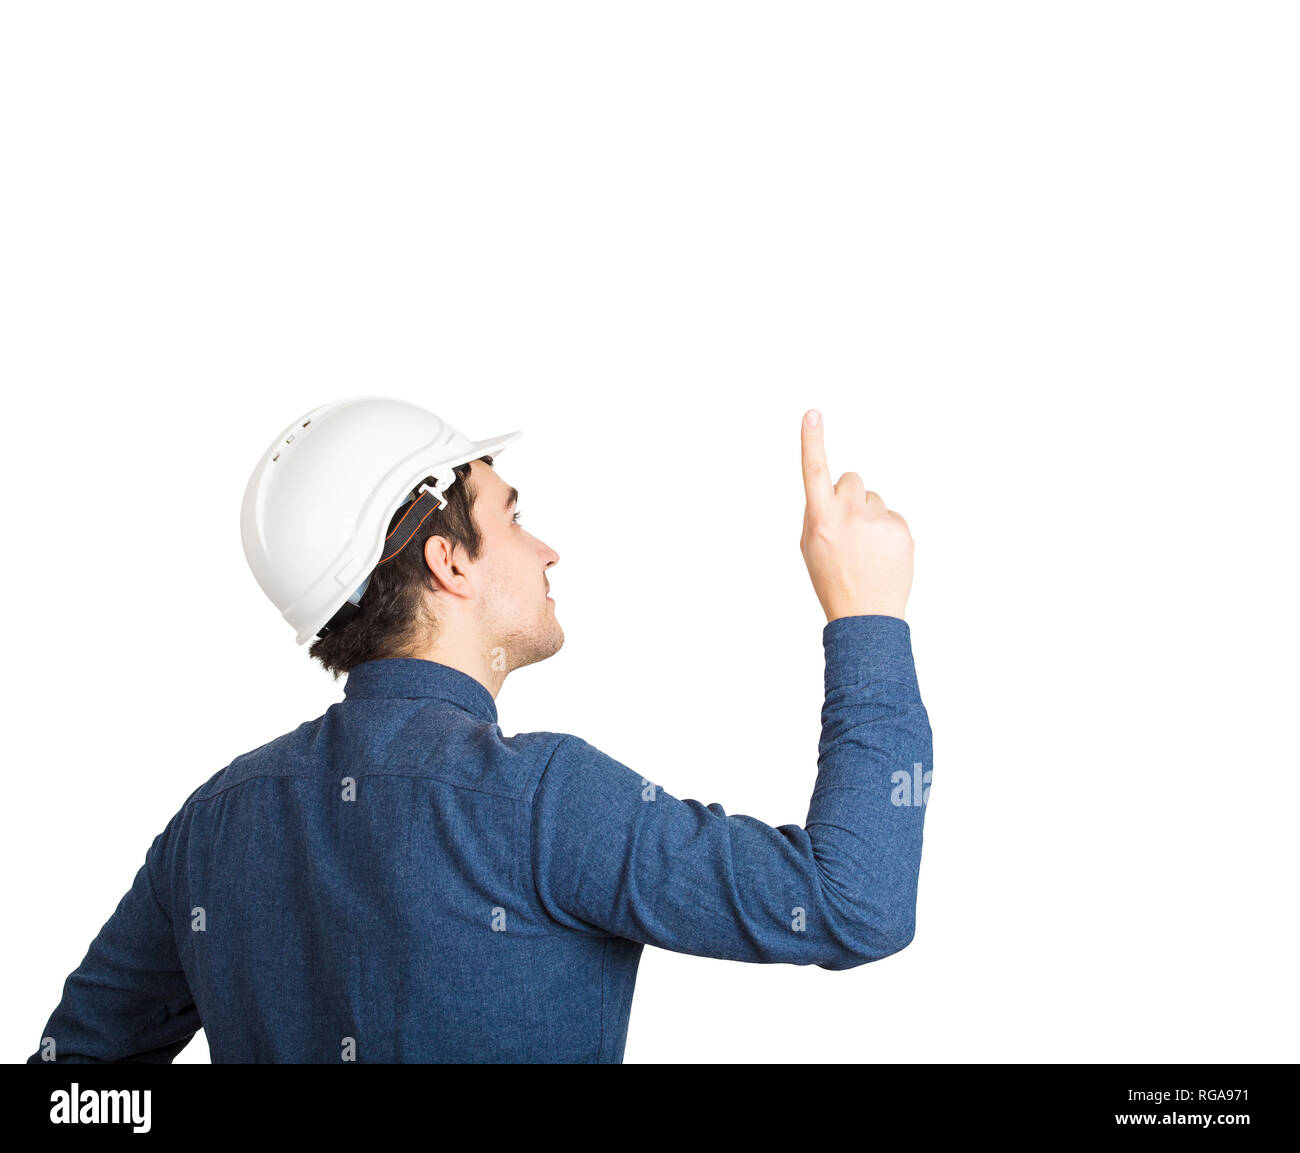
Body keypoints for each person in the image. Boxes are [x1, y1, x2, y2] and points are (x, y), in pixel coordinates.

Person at [28, 399, 931, 1064]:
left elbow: (73, 1082)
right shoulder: (544, 800)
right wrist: (866, 613)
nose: (548, 551)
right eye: (513, 516)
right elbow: (854, 904)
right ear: (447, 559)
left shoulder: (213, 824)